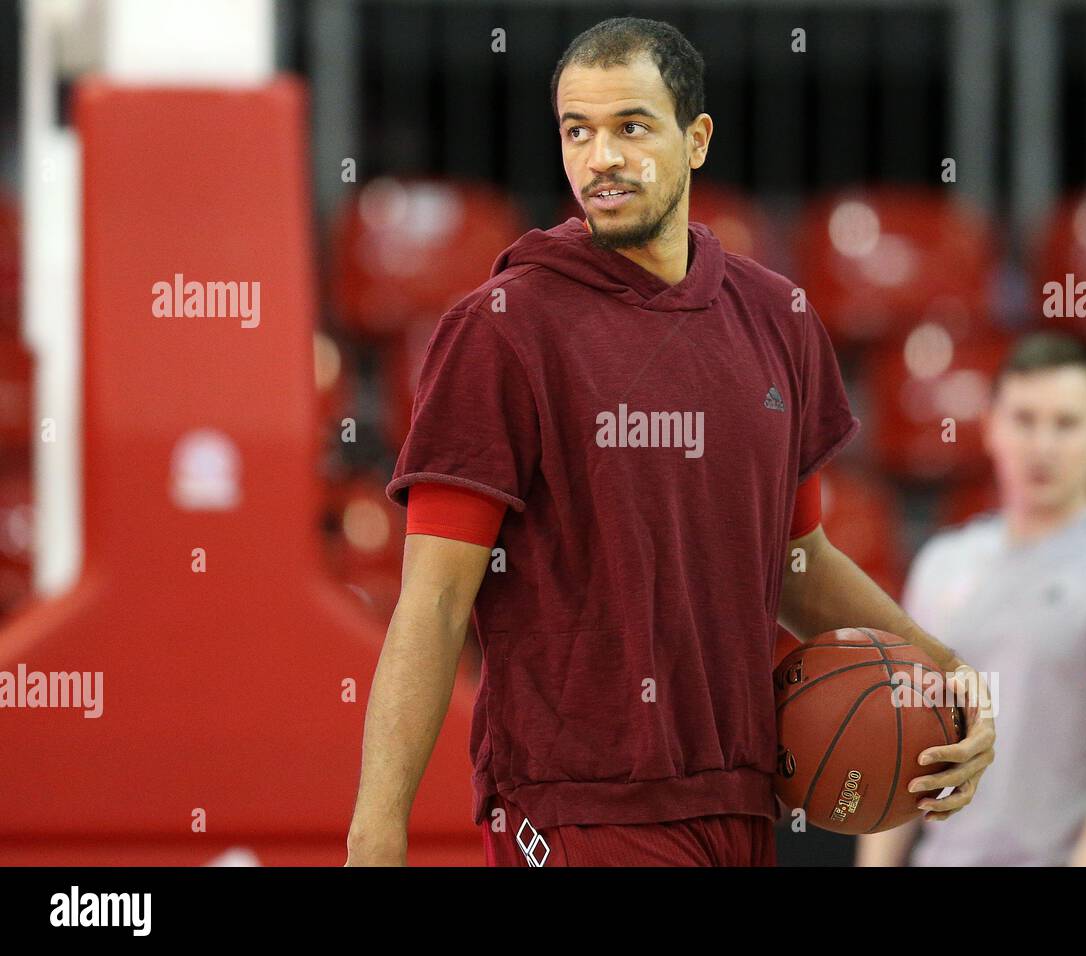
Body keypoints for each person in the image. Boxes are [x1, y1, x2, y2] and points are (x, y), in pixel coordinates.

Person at [346, 16, 994, 868]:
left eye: (631, 127)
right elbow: (432, 604)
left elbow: (798, 563)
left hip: (737, 798)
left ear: (696, 140)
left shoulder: (777, 321)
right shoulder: (501, 332)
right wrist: (375, 834)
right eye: (578, 131)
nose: (600, 158)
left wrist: (944, 674)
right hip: (577, 803)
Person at [858, 332, 1086, 867]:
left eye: (1065, 423)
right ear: (992, 426)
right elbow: (903, 739)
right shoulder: (941, 563)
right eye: (1024, 420)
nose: (1042, 445)